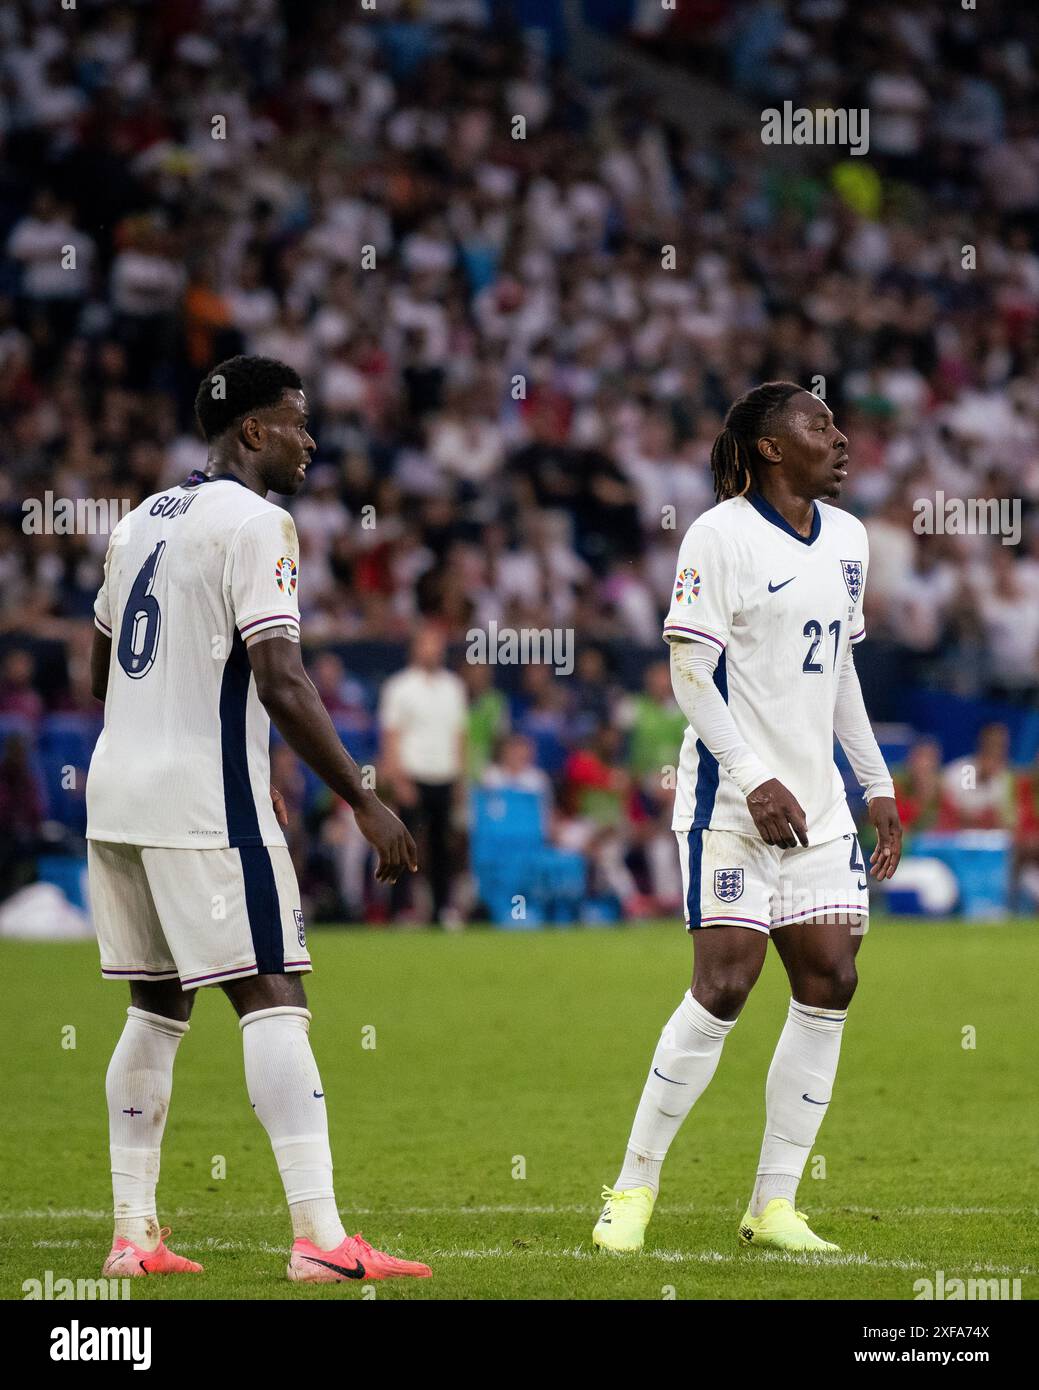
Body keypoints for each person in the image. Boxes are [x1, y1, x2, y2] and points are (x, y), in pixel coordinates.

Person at [85, 355, 428, 1284]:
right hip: (201, 798)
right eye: (296, 421)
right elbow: (279, 673)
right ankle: (319, 1239)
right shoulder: (261, 522)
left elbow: (104, 663)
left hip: (118, 792)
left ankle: (133, 1235)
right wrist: (361, 797)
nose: (311, 440)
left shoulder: (139, 520)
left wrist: (191, 748)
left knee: (155, 1008)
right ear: (251, 432)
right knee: (273, 990)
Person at [592, 381, 903, 1256]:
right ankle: (632, 1185)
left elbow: (837, 669)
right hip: (730, 805)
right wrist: (755, 778)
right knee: (725, 984)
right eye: (819, 426)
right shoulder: (717, 534)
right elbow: (689, 670)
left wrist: (873, 782)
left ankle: (773, 1206)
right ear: (770, 447)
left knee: (829, 981)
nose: (839, 440)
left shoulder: (848, 539)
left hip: (821, 810)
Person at [379, 627, 468, 927]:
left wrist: (459, 779)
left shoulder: (454, 688)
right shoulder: (399, 688)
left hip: (444, 775)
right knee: (404, 847)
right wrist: (398, 779)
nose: (432, 650)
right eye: (427, 643)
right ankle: (400, 909)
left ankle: (442, 909)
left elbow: (459, 737)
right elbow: (391, 737)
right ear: (415, 648)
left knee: (443, 848)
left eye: (437, 644)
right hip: (413, 776)